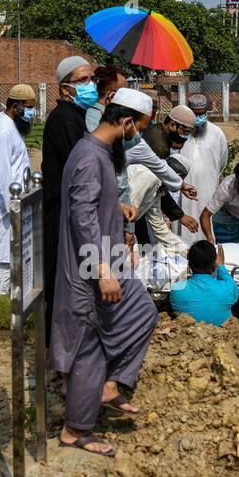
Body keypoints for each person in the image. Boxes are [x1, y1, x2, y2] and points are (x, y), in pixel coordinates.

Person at [51, 88, 160, 457]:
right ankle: (74, 429)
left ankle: (111, 386)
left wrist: (119, 209)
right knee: (89, 345)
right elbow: (82, 218)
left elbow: (95, 205)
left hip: (108, 258)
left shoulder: (98, 154)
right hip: (92, 267)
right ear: (127, 122)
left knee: (141, 313)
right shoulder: (88, 158)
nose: (137, 136)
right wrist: (102, 272)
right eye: (139, 128)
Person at [42, 55, 97, 341]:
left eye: (91, 79)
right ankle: (58, 348)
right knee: (63, 281)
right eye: (83, 80)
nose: (90, 85)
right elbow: (80, 169)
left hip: (68, 210)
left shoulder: (75, 118)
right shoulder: (64, 119)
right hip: (61, 212)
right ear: (65, 89)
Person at [0, 85, 36, 295]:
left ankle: (13, 298)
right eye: (29, 108)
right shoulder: (3, 130)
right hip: (6, 205)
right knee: (4, 256)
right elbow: (3, 174)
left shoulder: (9, 124)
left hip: (15, 200)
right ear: (17, 107)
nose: (32, 112)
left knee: (14, 253)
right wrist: (12, 206)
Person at [174, 94, 228, 244]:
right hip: (182, 193)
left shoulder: (217, 133)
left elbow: (222, 161)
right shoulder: (179, 133)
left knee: (206, 233)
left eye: (202, 114)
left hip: (207, 191)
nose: (199, 118)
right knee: (180, 236)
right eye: (195, 115)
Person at [169, 240, 238, 326]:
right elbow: (232, 288)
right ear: (214, 265)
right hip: (221, 335)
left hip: (188, 336)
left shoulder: (177, 289)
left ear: (189, 265)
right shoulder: (228, 287)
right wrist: (221, 266)